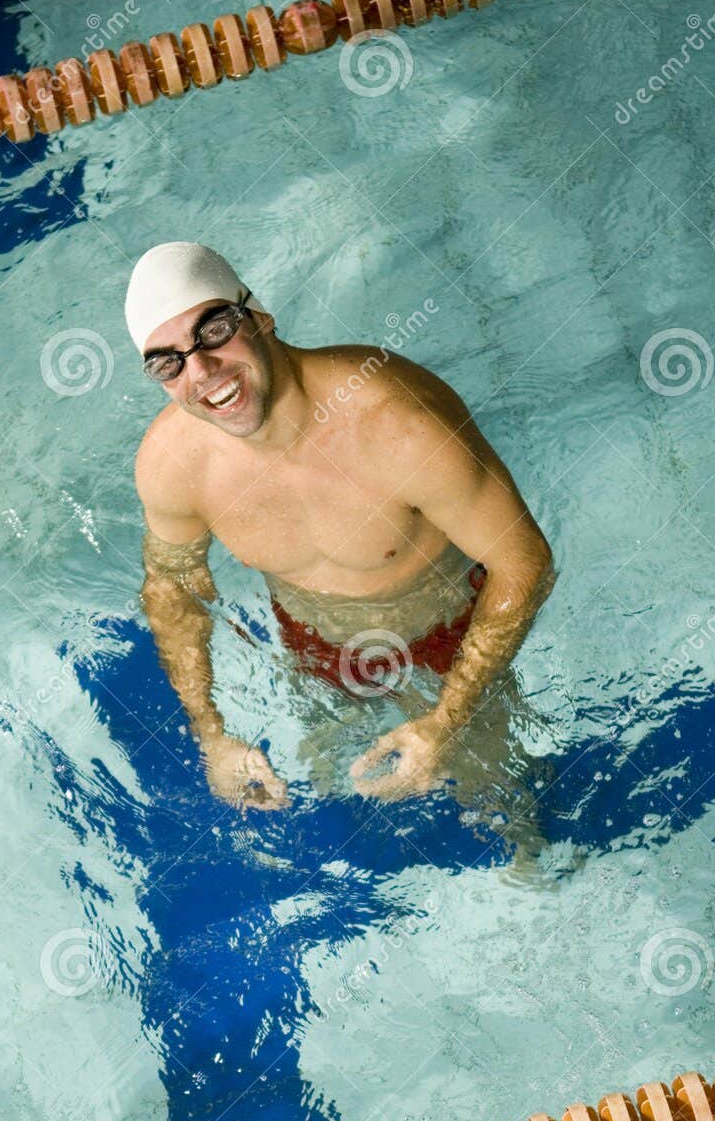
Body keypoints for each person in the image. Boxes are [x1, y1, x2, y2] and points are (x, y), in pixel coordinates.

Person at [130, 242, 554, 809]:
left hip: (450, 637)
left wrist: (447, 720)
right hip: (312, 648)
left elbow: (522, 562)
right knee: (331, 793)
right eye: (168, 362)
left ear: (258, 315)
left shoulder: (396, 423)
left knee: (497, 796)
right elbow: (172, 588)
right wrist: (211, 736)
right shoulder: (171, 466)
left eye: (213, 330)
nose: (201, 371)